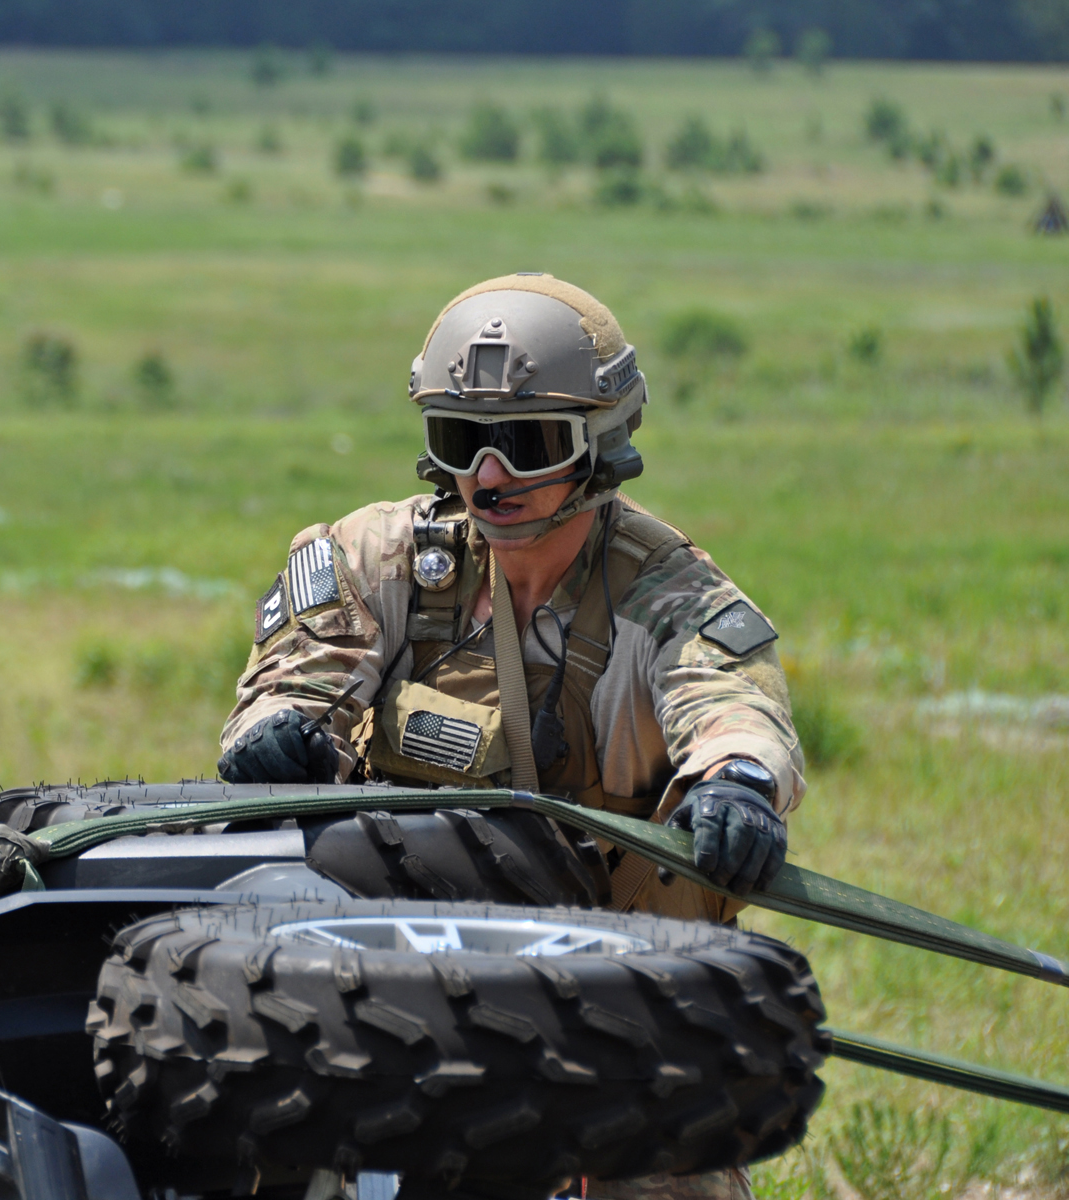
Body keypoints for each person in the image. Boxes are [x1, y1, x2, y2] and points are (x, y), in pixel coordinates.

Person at [218, 275, 800, 1199]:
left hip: (608, 1001)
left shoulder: (667, 591)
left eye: (527, 447)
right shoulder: (377, 558)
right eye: (460, 441)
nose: (488, 478)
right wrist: (275, 735)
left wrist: (737, 782)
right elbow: (294, 680)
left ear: (600, 444)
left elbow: (731, 701)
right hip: (387, 974)